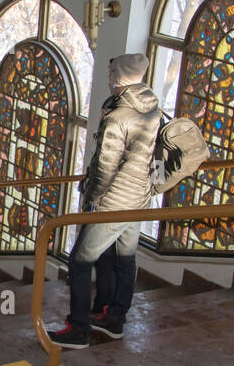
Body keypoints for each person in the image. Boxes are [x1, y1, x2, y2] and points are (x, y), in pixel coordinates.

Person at [48, 53, 159, 350]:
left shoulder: (118, 116)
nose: (110, 79)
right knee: (122, 258)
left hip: (113, 202)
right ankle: (114, 319)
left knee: (80, 261)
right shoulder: (152, 107)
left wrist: (92, 199)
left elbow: (107, 165)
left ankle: (79, 328)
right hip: (137, 200)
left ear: (120, 78)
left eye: (112, 74)